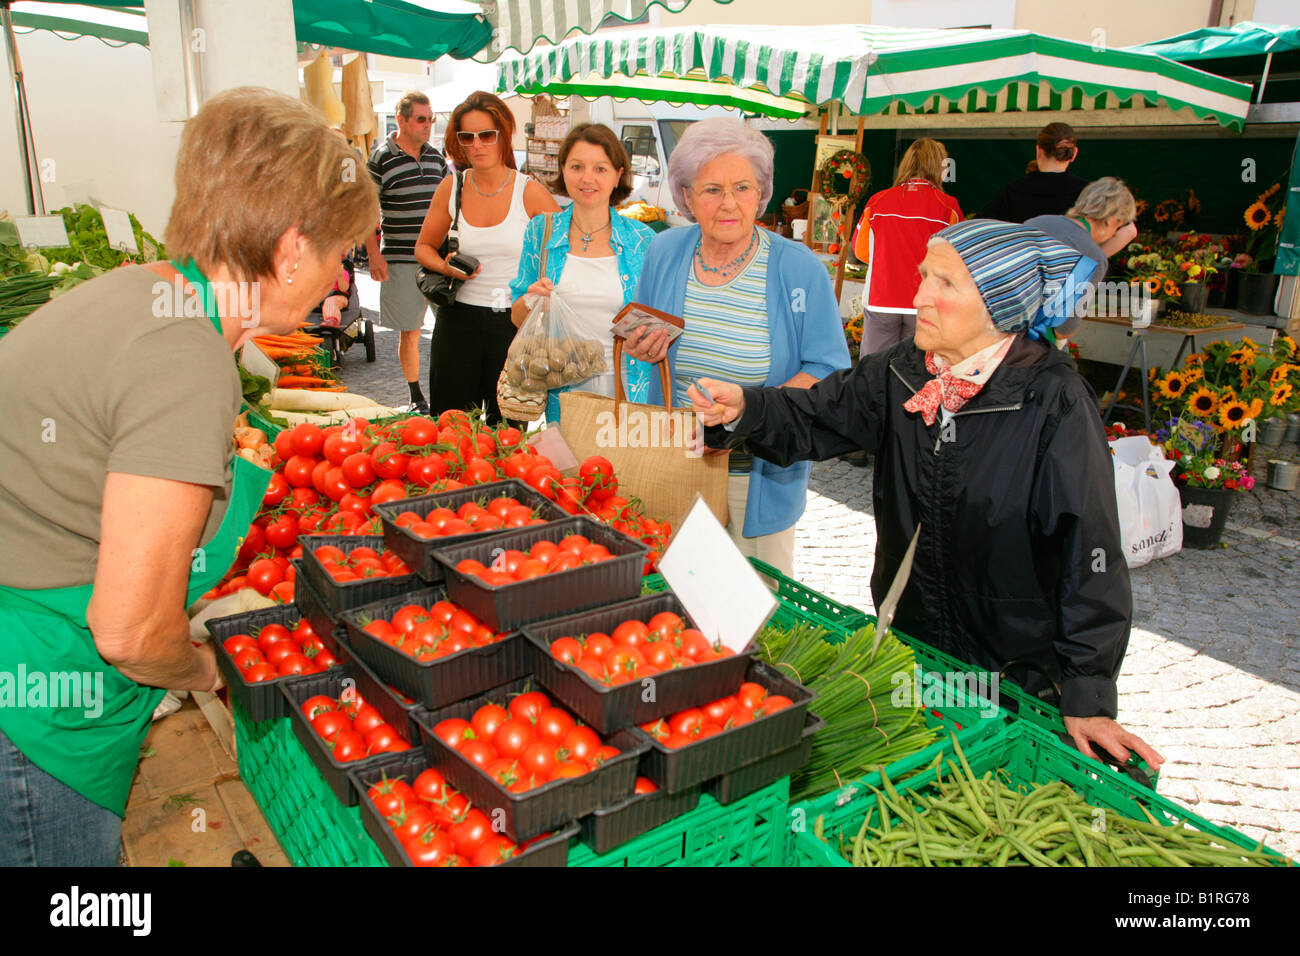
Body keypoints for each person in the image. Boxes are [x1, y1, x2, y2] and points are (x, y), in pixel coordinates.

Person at [0, 87, 378, 866]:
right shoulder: (187, 361)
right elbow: (130, 631)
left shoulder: (145, 296)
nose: (342, 272)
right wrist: (211, 669)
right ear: (290, 250)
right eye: (341, 252)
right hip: (32, 716)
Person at [689, 219, 1163, 769]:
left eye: (945, 283)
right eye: (922, 278)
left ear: (998, 304)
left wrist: (1088, 691)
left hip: (1016, 668)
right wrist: (746, 408)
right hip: (913, 640)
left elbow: (1090, 551)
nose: (919, 298)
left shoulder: (1052, 400)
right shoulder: (901, 371)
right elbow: (817, 414)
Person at [622, 118, 851, 575]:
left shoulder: (798, 267)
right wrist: (643, 347)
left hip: (758, 476)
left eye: (742, 187)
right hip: (675, 466)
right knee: (674, 601)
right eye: (711, 190)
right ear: (686, 196)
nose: (728, 204)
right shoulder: (665, 250)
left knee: (752, 618)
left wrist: (746, 417)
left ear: (761, 192)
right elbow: (646, 334)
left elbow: (828, 367)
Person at [415, 91, 559, 423]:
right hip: (456, 321)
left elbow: (563, 255)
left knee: (506, 431)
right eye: (467, 136)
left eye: (486, 135)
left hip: (510, 325)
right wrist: (446, 267)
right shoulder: (451, 187)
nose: (477, 144)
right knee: (450, 428)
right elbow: (422, 247)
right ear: (458, 141)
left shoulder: (531, 193)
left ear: (503, 136)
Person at [509, 123, 655, 423]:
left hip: (629, 389)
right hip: (563, 389)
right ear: (563, 170)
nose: (587, 178)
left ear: (618, 174)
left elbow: (659, 320)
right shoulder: (541, 231)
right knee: (570, 469)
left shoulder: (643, 239)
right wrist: (531, 301)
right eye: (577, 166)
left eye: (600, 169)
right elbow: (515, 316)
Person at [366, 91, 448, 414]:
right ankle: (416, 396)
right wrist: (373, 254)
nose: (428, 125)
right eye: (421, 119)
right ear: (401, 120)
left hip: (439, 262)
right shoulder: (381, 158)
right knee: (411, 331)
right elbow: (364, 211)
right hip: (400, 260)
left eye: (431, 119)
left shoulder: (437, 158)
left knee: (449, 330)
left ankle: (446, 389)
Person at [851, 138, 962, 355]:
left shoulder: (878, 201)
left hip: (880, 299)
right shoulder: (948, 206)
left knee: (873, 373)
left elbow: (861, 251)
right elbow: (957, 260)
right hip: (925, 302)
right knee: (916, 374)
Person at [1023, 176, 1139, 342]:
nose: (1113, 234)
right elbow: (1065, 329)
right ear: (1112, 220)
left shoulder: (1035, 222)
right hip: (1027, 345)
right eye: (1117, 227)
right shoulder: (1093, 257)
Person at [977, 122, 1087, 222]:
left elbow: (979, 225)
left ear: (1038, 151)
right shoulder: (1088, 194)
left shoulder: (1012, 191)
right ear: (1074, 154)